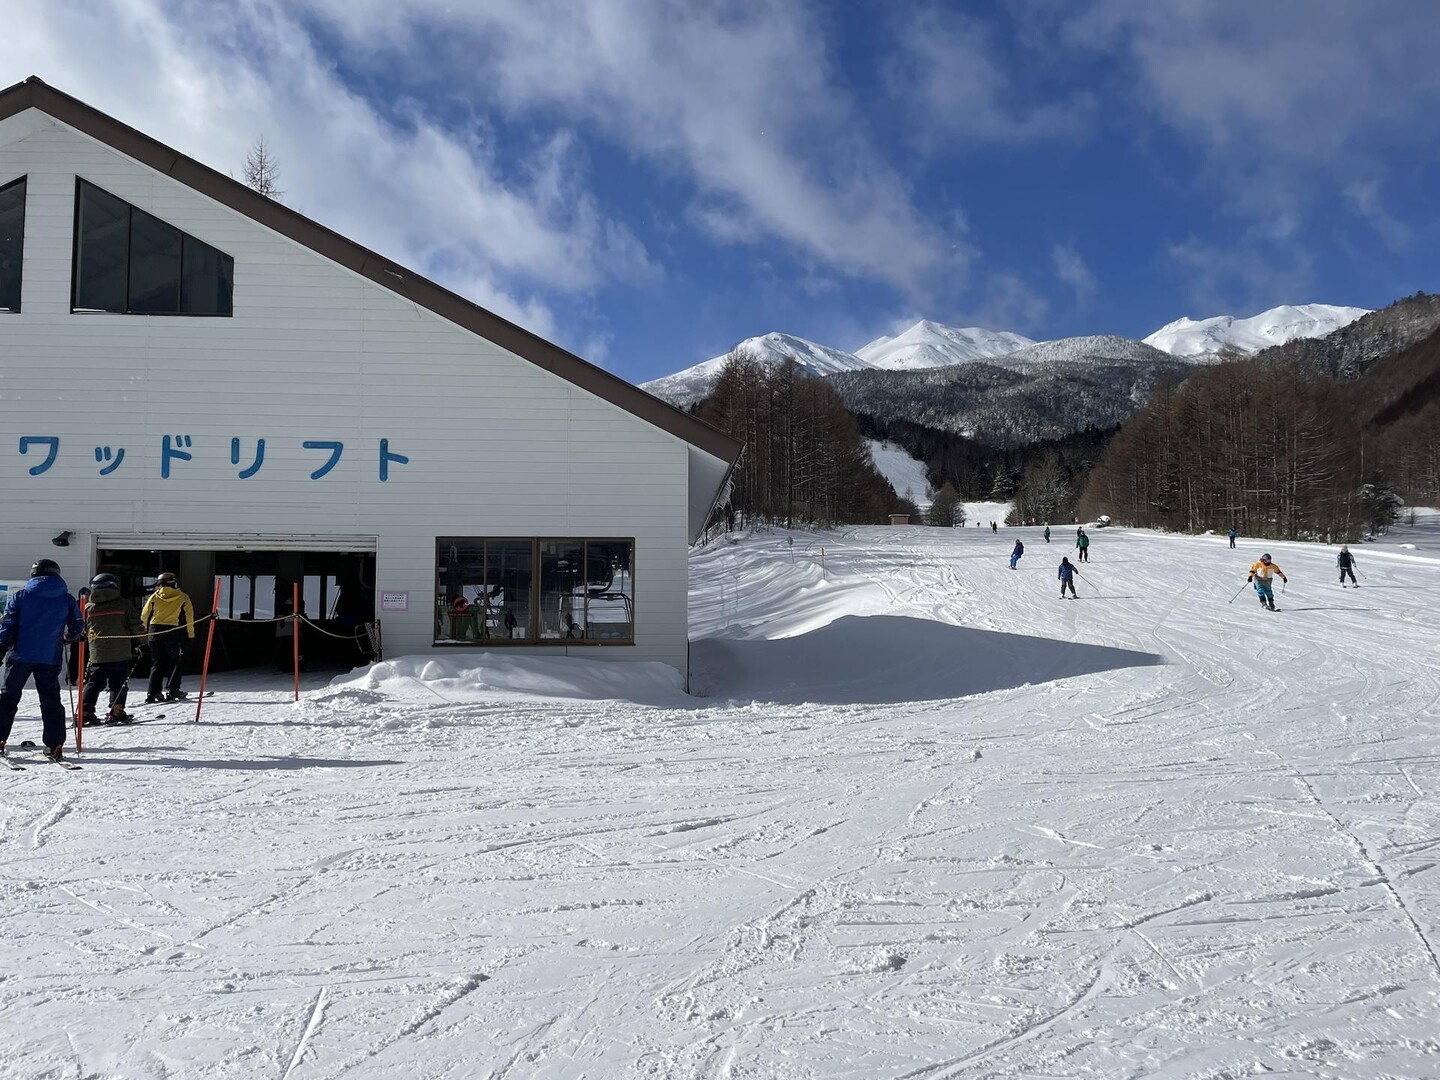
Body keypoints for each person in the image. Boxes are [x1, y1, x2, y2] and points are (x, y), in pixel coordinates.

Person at [0, 560, 84, 761]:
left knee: (8, 698)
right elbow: (78, 626)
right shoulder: (66, 599)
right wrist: (67, 638)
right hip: (49, 657)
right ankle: (55, 745)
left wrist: (2, 648)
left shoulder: (21, 595)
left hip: (20, 656)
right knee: (50, 700)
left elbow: (7, 625)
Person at [81, 573, 143, 725]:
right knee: (119, 683)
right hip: (120, 653)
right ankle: (116, 711)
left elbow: (82, 628)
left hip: (97, 653)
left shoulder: (88, 608)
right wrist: (143, 641)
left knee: (94, 683)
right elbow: (136, 626)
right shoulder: (124, 605)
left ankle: (84, 711)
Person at [141, 571, 196, 702]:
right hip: (172, 631)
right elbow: (189, 617)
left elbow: (144, 615)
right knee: (175, 661)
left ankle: (153, 693)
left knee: (157, 663)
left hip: (154, 631)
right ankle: (173, 689)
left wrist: (142, 634)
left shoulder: (154, 596)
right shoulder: (183, 597)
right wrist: (190, 634)